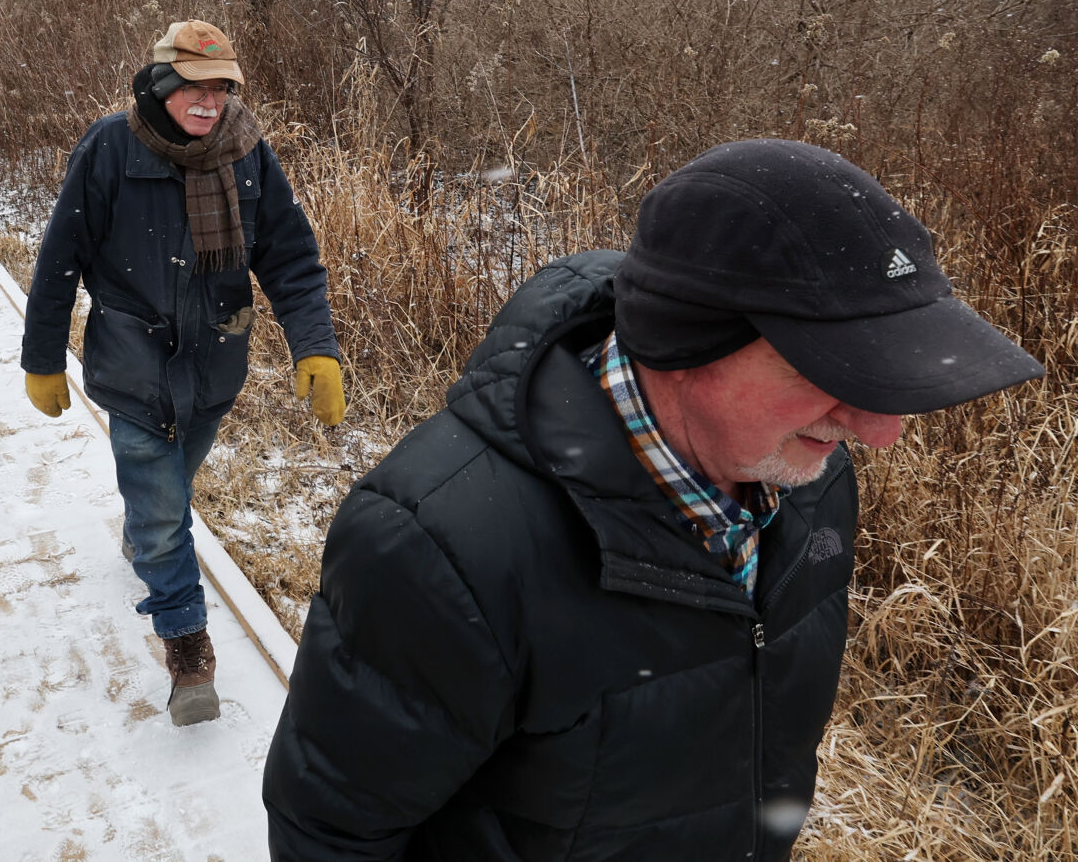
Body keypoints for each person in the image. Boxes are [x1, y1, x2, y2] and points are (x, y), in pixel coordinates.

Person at [263, 139, 1043, 860]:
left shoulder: (807, 479)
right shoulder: (439, 549)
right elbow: (333, 830)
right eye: (827, 368)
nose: (879, 432)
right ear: (680, 341)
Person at [21, 19, 344, 726]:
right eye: (195, 85)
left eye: (222, 86)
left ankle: (143, 535)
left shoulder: (247, 154)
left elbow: (289, 257)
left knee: (172, 483)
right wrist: (42, 357)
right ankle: (187, 646)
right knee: (166, 511)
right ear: (162, 83)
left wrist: (314, 345)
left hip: (214, 363)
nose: (209, 100)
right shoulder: (110, 147)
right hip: (132, 359)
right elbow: (59, 258)